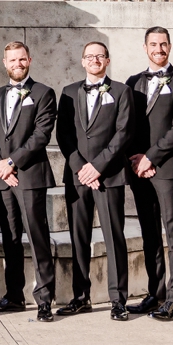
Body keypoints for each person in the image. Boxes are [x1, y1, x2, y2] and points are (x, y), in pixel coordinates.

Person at [55, 41, 134, 321]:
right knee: (79, 239)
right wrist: (81, 168)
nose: (95, 60)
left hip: (109, 175)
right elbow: (63, 135)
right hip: (77, 178)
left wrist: (97, 167)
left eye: (100, 56)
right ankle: (80, 297)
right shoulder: (68, 93)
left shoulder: (123, 91)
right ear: (82, 61)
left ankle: (118, 300)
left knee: (114, 238)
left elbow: (123, 133)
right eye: (89, 56)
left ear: (108, 60)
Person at [124, 27, 173, 321]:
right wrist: (136, 158)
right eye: (153, 44)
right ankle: (156, 294)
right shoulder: (132, 82)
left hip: (166, 169)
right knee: (149, 234)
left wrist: (151, 157)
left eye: (163, 43)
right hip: (139, 170)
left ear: (170, 46)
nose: (159, 48)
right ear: (145, 48)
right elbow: (126, 125)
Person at [0, 40, 57, 322]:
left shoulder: (43, 93)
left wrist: (12, 163)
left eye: (21, 59)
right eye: (12, 60)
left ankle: (44, 299)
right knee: (10, 239)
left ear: (30, 59)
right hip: (3, 179)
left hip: (29, 176)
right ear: (4, 63)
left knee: (37, 237)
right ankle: (14, 295)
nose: (17, 64)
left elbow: (41, 135)